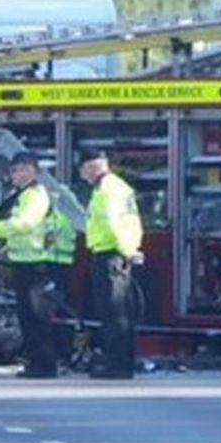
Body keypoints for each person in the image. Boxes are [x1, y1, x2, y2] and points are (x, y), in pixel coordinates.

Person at [0, 151, 58, 378]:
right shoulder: (23, 195)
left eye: (15, 170)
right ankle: (35, 362)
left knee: (37, 317)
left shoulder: (35, 195)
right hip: (22, 263)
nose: (11, 175)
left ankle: (44, 365)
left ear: (29, 169)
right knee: (27, 317)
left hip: (34, 265)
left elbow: (23, 224)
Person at [79, 149, 143, 379]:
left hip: (110, 254)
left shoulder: (105, 190)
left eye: (83, 169)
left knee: (113, 313)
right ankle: (123, 363)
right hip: (120, 252)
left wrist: (124, 250)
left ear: (92, 166)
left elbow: (113, 222)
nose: (82, 175)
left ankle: (117, 365)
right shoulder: (119, 186)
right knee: (121, 312)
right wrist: (131, 249)